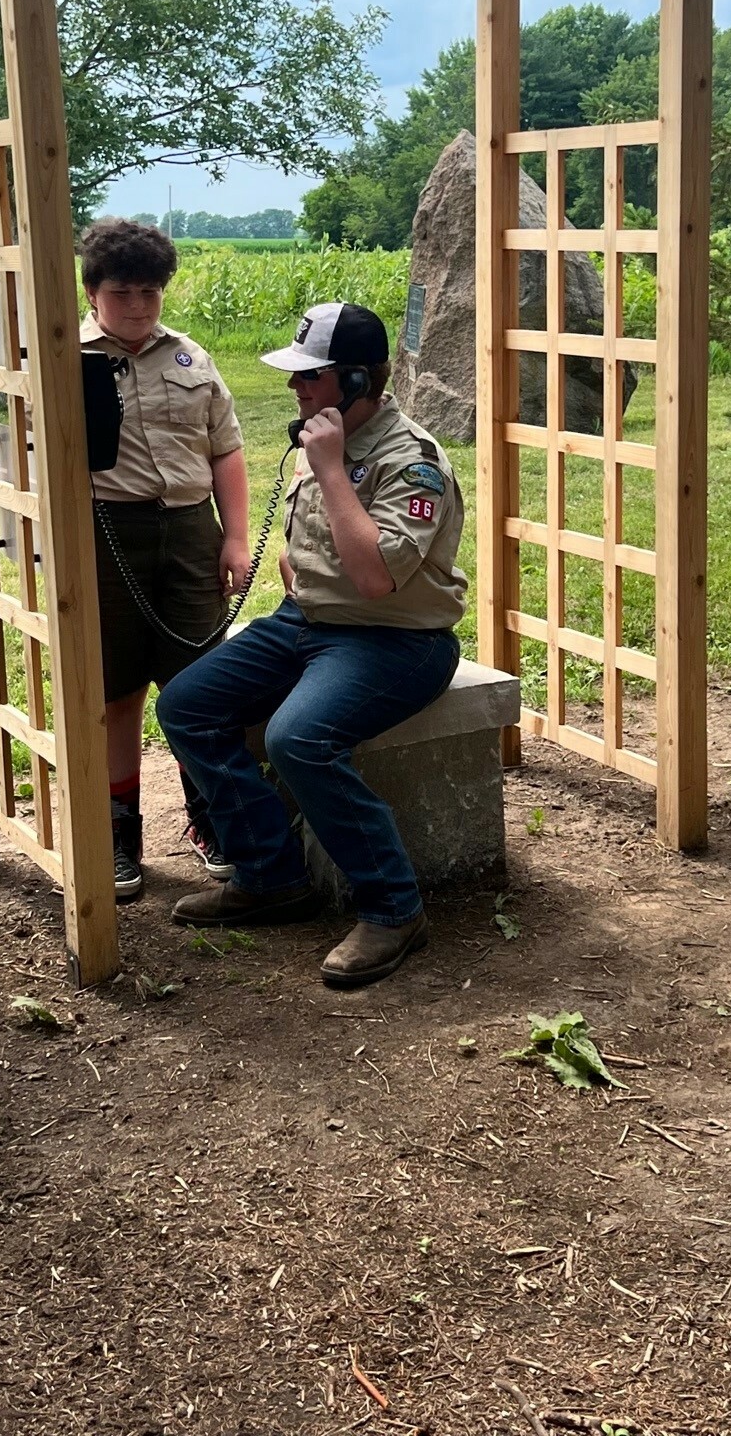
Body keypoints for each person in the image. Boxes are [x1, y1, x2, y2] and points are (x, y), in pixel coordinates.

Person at [156, 301, 466, 989]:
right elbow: (304, 558)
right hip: (308, 622)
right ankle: (271, 877)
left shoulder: (411, 462)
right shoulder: (327, 441)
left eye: (310, 377)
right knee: (186, 705)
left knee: (298, 738)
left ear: (355, 381)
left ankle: (393, 908)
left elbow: (378, 579)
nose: (295, 388)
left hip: (396, 640)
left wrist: (327, 469)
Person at [78, 218, 251, 902]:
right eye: (123, 292)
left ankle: (208, 819)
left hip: (188, 534)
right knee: (115, 691)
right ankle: (120, 831)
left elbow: (225, 451)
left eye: (151, 291)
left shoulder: (192, 360)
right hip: (106, 534)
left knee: (199, 690)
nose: (139, 306)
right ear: (93, 292)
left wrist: (235, 538)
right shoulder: (66, 359)